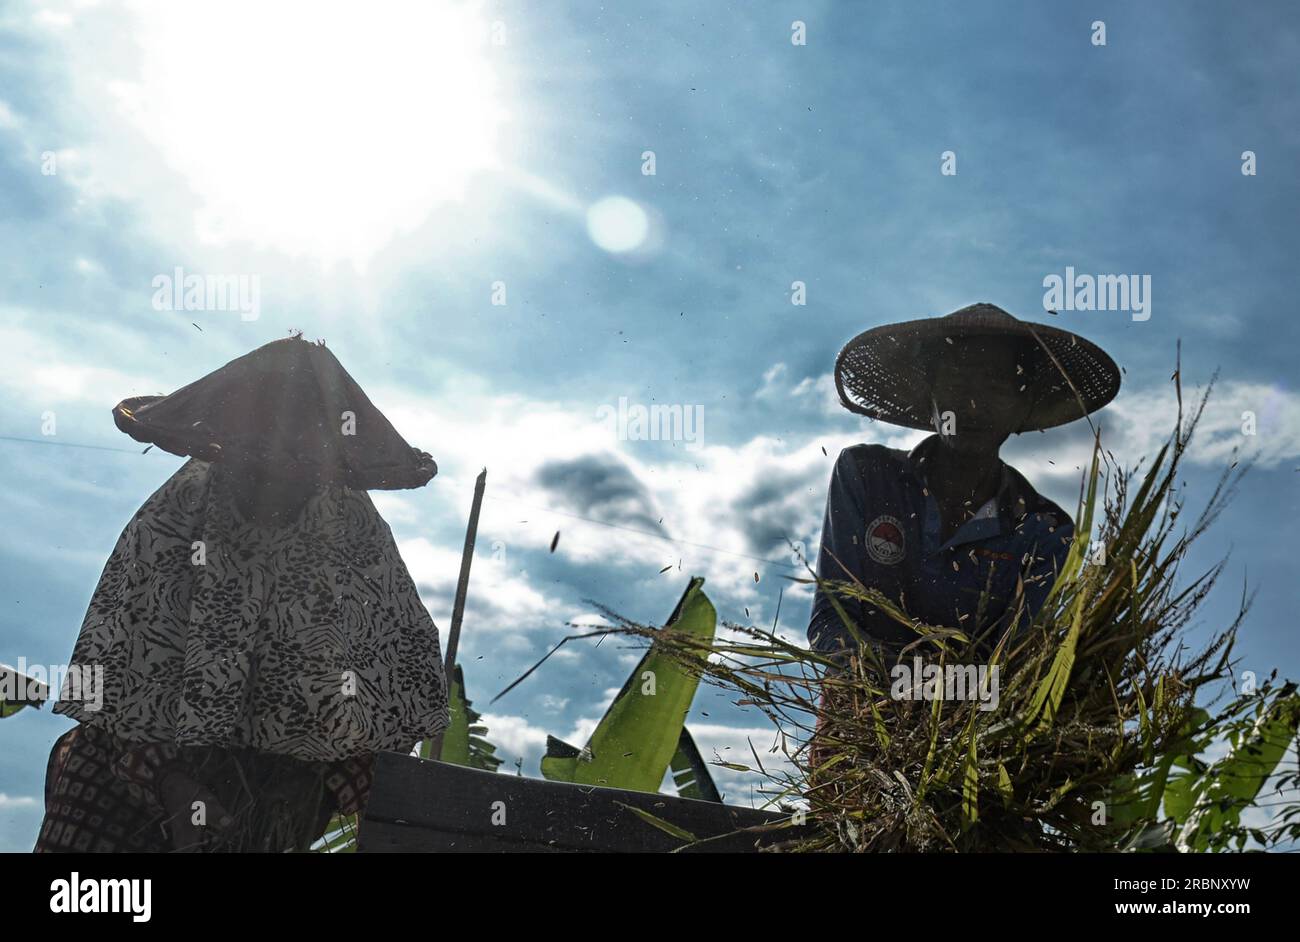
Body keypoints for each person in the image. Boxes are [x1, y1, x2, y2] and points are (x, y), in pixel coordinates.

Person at [35, 335, 449, 852]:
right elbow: (118, 687)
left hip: (280, 798)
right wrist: (175, 786)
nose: (278, 475)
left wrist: (318, 789)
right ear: (227, 446)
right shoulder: (170, 526)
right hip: (128, 786)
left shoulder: (357, 547)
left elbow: (395, 697)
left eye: (300, 460)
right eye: (260, 456)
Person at [808, 302, 1121, 666]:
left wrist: (945, 695)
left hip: (984, 721)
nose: (974, 405)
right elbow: (830, 623)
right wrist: (900, 682)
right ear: (930, 394)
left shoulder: (1043, 529)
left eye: (996, 388)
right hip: (857, 714)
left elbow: (1015, 661)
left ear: (1024, 407)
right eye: (958, 381)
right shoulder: (866, 474)